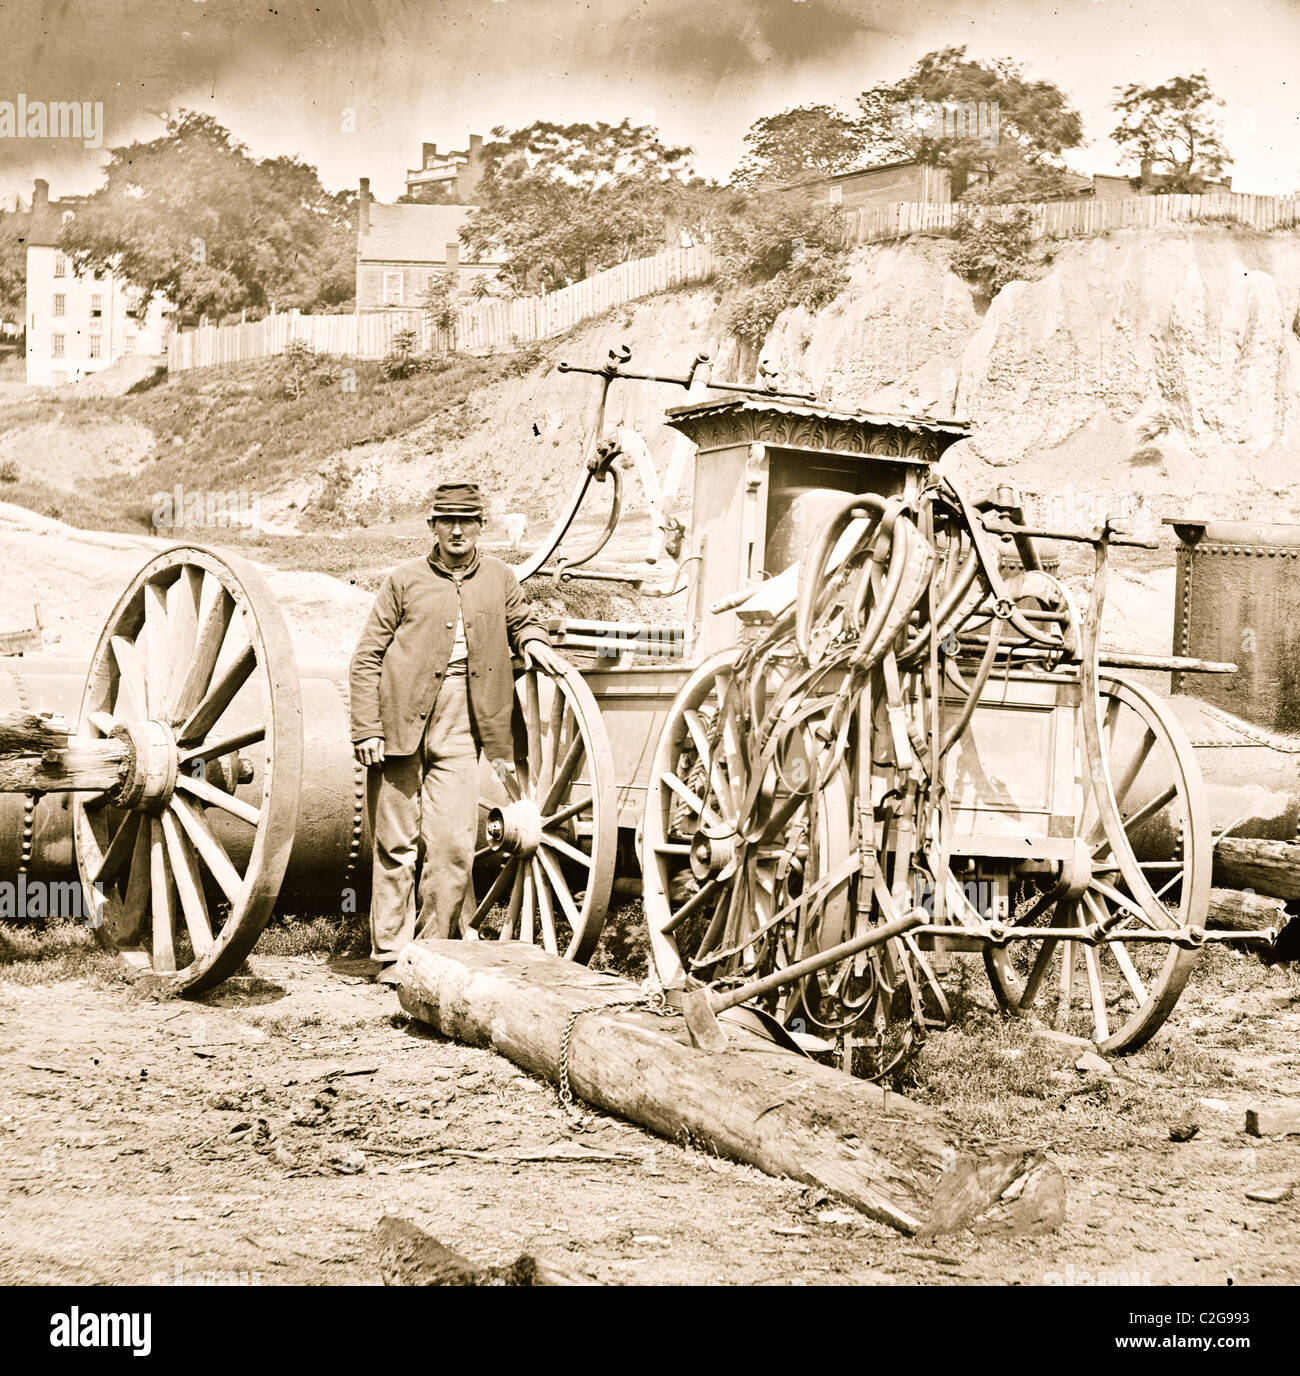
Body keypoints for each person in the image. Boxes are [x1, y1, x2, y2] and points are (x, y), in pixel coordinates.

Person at [349, 481, 565, 983]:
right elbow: (366, 658)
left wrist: (534, 643)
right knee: (395, 844)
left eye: (467, 520)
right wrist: (366, 728)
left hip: (463, 722)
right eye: (447, 520)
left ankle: (429, 955)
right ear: (432, 527)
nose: (457, 529)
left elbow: (522, 622)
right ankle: (389, 954)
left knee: (452, 844)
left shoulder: (500, 578)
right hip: (400, 719)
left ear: (481, 526)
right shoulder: (403, 581)